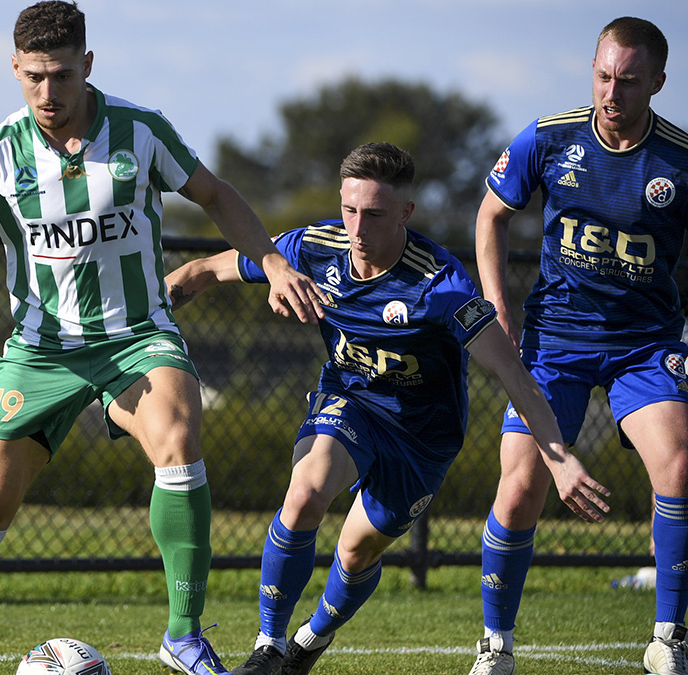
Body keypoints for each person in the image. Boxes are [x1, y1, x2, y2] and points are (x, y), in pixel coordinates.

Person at [0, 3, 327, 674]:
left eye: (59, 76)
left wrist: (276, 262)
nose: (47, 94)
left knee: (178, 434)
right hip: (40, 350)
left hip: (136, 335)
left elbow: (218, 195)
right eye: (32, 78)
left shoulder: (141, 132)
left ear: (86, 65)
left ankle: (182, 634)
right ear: (15, 70)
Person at [164, 143, 610, 675]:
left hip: (422, 436)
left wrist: (559, 459)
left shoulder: (440, 285)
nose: (357, 226)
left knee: (357, 552)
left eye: (374, 214)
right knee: (305, 492)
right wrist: (151, 308)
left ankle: (311, 640)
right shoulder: (313, 246)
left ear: (405, 213)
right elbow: (206, 271)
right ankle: (268, 647)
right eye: (350, 209)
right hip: (349, 400)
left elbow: (513, 373)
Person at [465, 16, 688, 675]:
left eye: (626, 81)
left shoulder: (679, 160)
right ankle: (496, 645)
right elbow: (489, 216)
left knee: (678, 469)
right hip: (553, 343)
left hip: (645, 347)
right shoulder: (548, 136)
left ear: (657, 82)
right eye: (601, 76)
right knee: (521, 485)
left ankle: (669, 638)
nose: (610, 92)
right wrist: (498, 309)